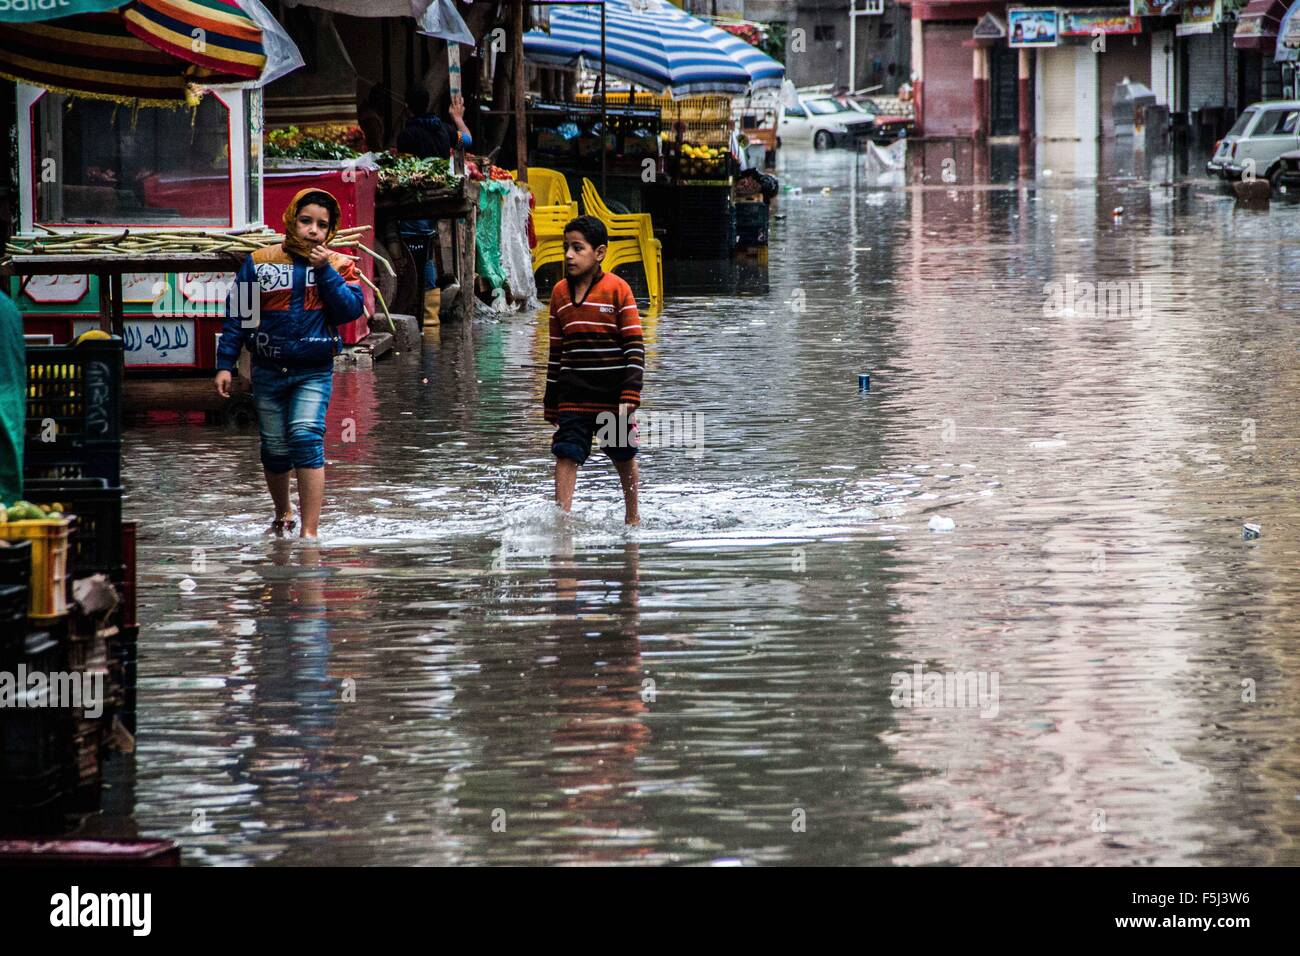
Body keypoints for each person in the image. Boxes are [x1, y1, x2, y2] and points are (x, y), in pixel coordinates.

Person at [214, 189, 365, 539]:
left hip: (313, 370)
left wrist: (324, 270)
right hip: (267, 369)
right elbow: (241, 316)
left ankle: (309, 532)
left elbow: (349, 311)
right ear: (291, 220)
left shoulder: (341, 265)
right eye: (306, 221)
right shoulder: (260, 261)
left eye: (322, 225)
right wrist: (225, 364)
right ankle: (283, 512)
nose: (313, 230)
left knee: (305, 437)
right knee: (274, 447)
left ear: (331, 231)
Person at [543, 216, 644, 525]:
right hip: (573, 396)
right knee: (566, 452)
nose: (569, 255)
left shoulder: (618, 290)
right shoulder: (559, 294)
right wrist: (550, 400)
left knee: (622, 454)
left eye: (578, 248)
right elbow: (555, 353)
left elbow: (635, 347)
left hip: (613, 399)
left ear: (599, 253)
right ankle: (562, 520)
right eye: (566, 248)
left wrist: (630, 392)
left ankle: (632, 516)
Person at [395, 89, 473, 159]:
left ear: (406, 107)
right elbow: (467, 140)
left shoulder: (406, 135)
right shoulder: (445, 129)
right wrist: (458, 118)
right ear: (427, 104)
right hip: (443, 174)